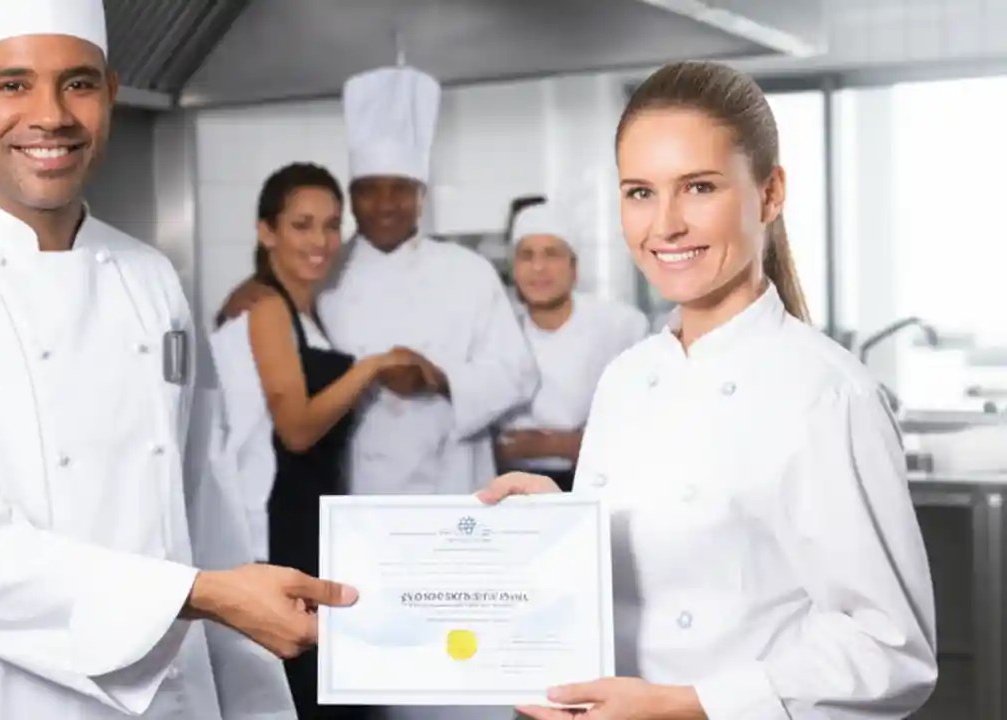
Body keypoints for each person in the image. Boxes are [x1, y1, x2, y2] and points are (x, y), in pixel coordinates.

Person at [0, 2, 354, 718]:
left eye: (77, 83)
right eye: (12, 85)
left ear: (109, 91)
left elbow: (205, 510)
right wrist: (201, 596)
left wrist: (257, 703)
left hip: (170, 698)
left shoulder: (150, 279)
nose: (51, 116)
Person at [478, 60, 937, 720]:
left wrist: (686, 705)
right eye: (640, 192)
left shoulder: (828, 393)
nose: (665, 225)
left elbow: (890, 650)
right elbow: (646, 580)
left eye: (697, 187)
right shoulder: (626, 378)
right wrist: (560, 526)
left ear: (770, 194)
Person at [220, 65, 538, 720]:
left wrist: (441, 376)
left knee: (458, 686)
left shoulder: (469, 272)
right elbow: (280, 357)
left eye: (401, 188)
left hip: (453, 511)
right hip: (351, 522)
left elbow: (517, 374)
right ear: (354, 197)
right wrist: (250, 295)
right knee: (366, 691)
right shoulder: (323, 273)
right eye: (369, 190)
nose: (386, 203)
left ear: (421, 193)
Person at [209, 163, 415, 718]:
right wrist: (373, 367)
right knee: (309, 697)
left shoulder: (301, 310)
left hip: (314, 522)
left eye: (330, 225)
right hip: (280, 526)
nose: (321, 241)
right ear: (267, 232)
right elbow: (297, 429)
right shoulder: (268, 308)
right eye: (302, 225)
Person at [495, 200, 648, 491]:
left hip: (595, 483)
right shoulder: (495, 327)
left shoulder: (620, 326)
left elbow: (642, 421)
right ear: (514, 268)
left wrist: (557, 445)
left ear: (574, 267)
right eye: (526, 255)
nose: (538, 267)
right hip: (507, 487)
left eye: (551, 254)